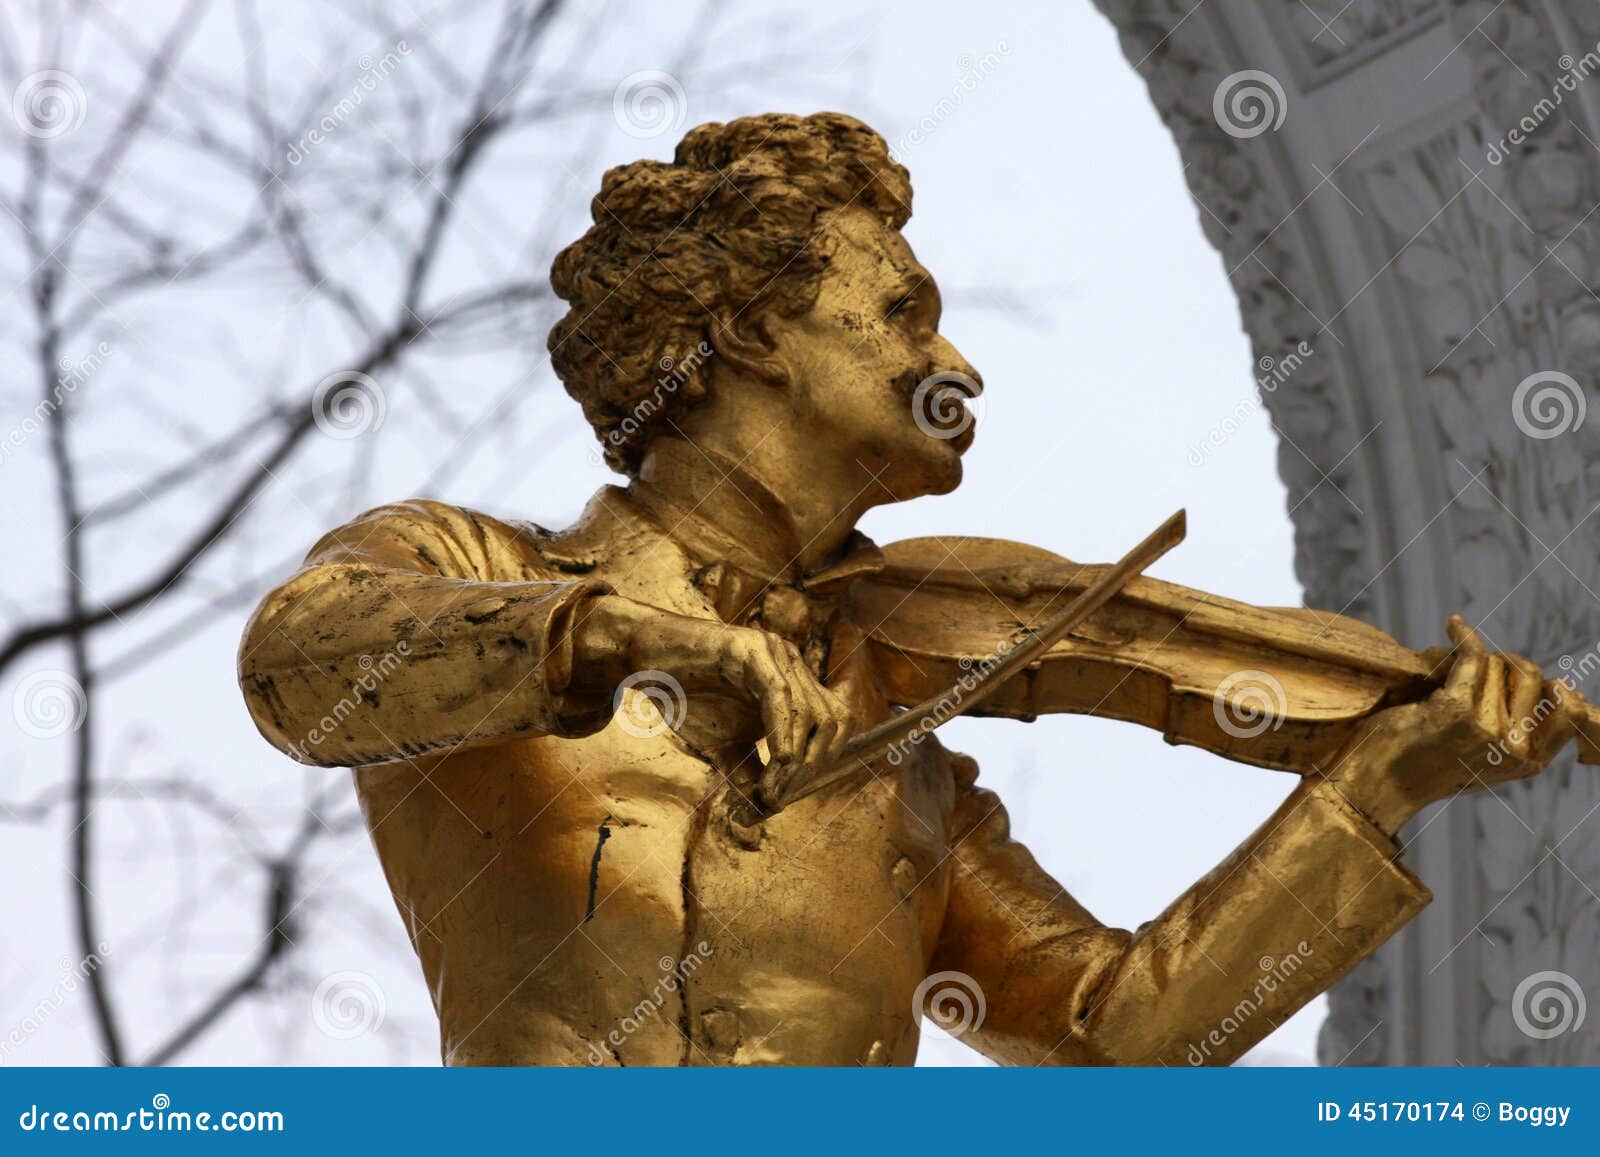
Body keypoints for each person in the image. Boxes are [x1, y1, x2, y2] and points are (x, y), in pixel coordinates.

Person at [238, 112, 1582, 1066]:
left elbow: (1117, 1040)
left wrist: (1377, 785)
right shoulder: (481, 573)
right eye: (902, 311)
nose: (955, 365)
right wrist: (642, 640)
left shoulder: (908, 777)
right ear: (755, 329)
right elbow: (295, 666)